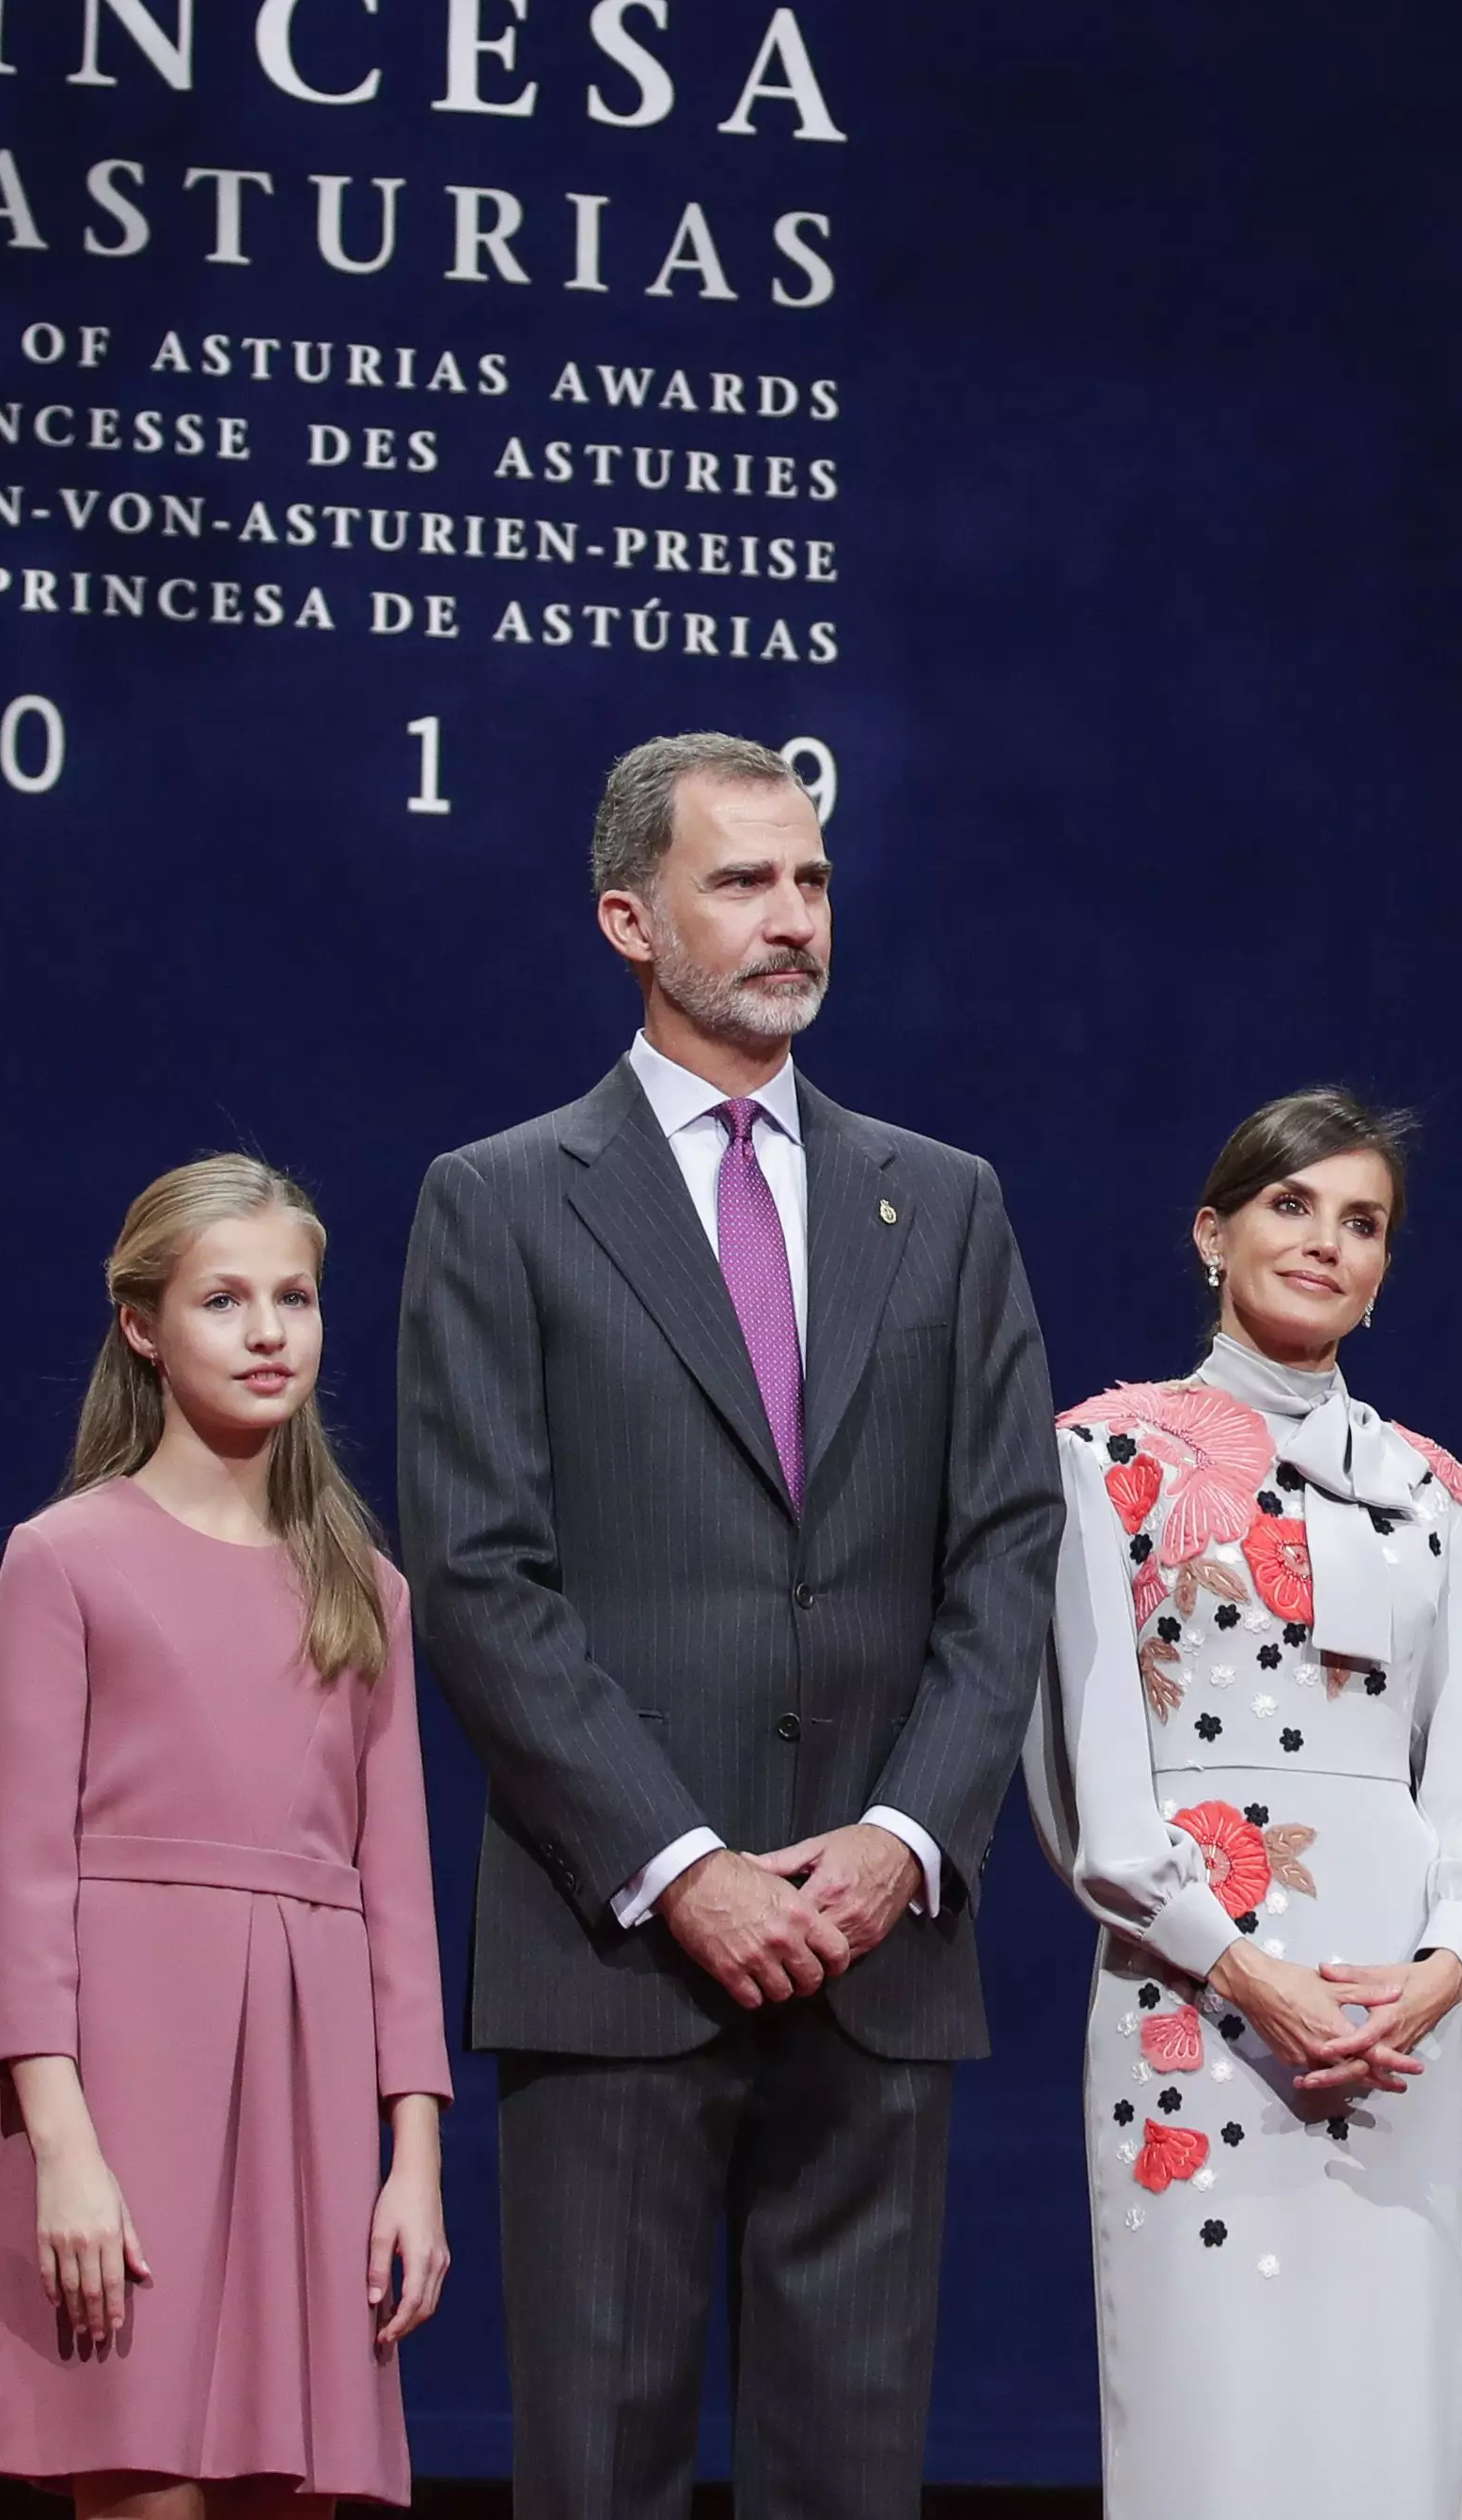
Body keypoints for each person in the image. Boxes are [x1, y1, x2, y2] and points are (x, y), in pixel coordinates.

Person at [401, 730, 1060, 2520]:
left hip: (873, 1955)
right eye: (742, 881)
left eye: (813, 880)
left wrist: (904, 1838)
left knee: (847, 2485)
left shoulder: (947, 1199)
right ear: (629, 915)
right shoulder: (502, 1199)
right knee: (599, 2473)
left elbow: (1007, 1552)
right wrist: (683, 1862)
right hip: (619, 1950)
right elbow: (478, 1575)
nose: (792, 919)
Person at [1026, 1089, 1462, 2517]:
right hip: (1190, 2000)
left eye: (1362, 1220)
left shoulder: (1446, 1498)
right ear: (1213, 1232)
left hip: (1393, 2023)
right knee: (1212, 2413)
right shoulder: (1105, 1460)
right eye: (1291, 1204)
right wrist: (1249, 1973)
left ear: (1385, 1270)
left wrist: (1433, 1977)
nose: (1326, 1241)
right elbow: (1089, 1783)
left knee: (1387, 2411)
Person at [0, 1156, 455, 2515]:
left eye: (295, 1295)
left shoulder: (366, 1588)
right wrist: (63, 2144)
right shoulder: (67, 1558)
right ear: (143, 1326)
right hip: (128, 2090)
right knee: (137, 2471)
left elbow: (396, 1891)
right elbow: (20, 1881)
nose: (270, 1330)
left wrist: (414, 2159)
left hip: (310, 2092)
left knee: (297, 2484)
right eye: (224, 1299)